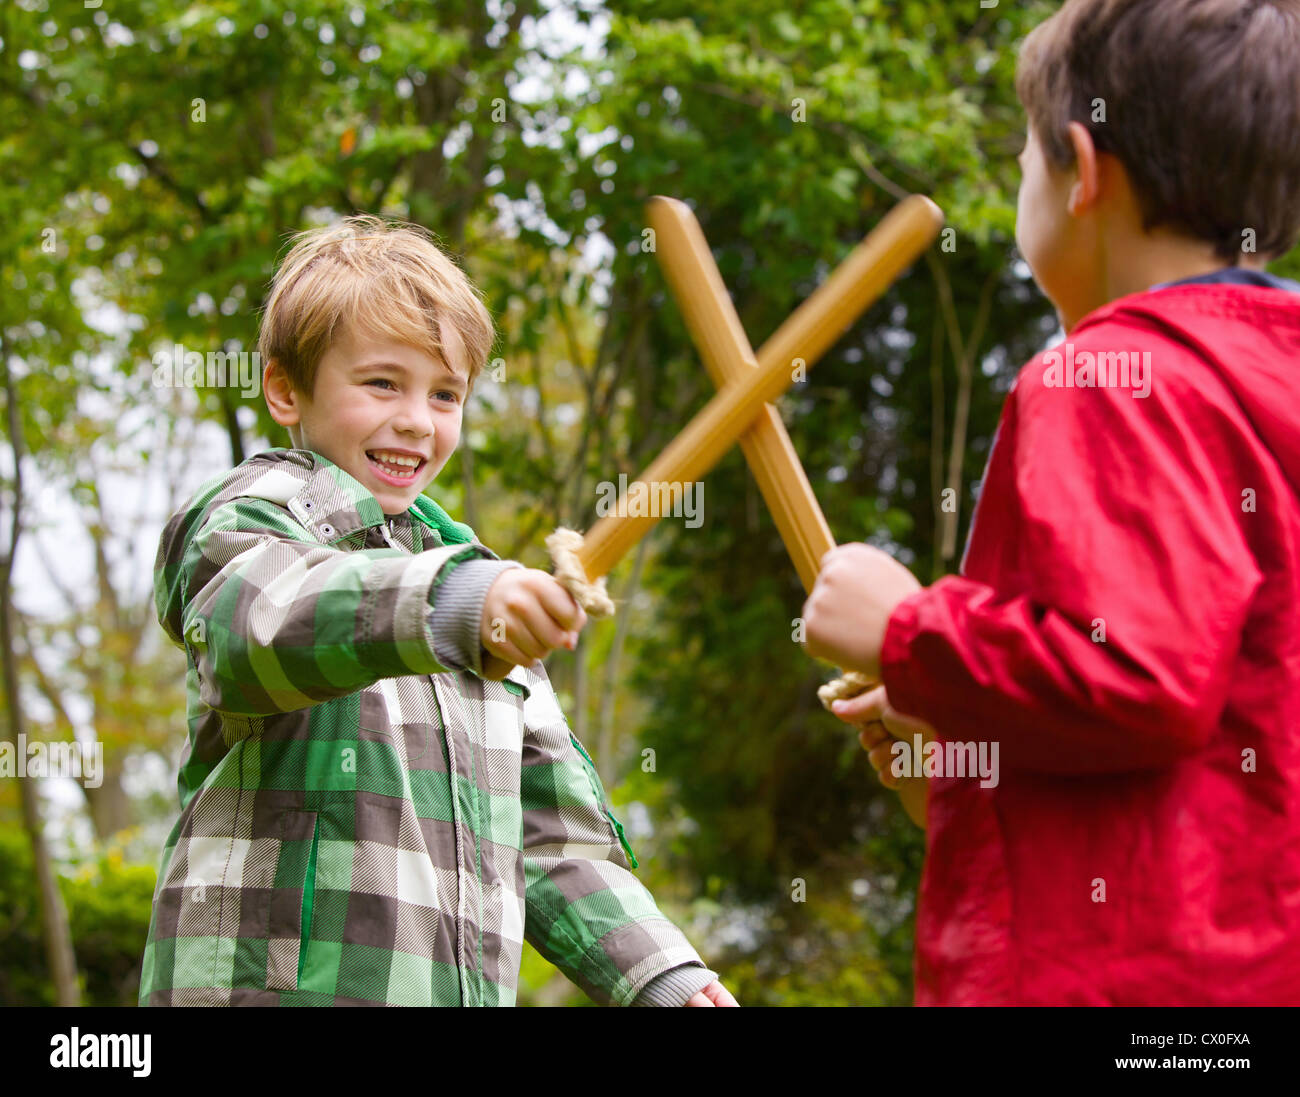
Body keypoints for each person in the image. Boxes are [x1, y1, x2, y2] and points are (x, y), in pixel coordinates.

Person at [803, 0, 1300, 1005]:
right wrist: (968, 743)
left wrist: (908, 629)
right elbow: (1211, 713)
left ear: (1082, 169)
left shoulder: (1109, 371)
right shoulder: (1270, 374)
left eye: (1024, 158)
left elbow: (1138, 669)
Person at [139, 215, 736, 1007]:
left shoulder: (479, 586)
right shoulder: (254, 516)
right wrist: (453, 602)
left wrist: (663, 973)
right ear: (286, 388)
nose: (418, 418)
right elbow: (265, 625)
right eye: (383, 383)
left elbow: (550, 837)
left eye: (445, 392)